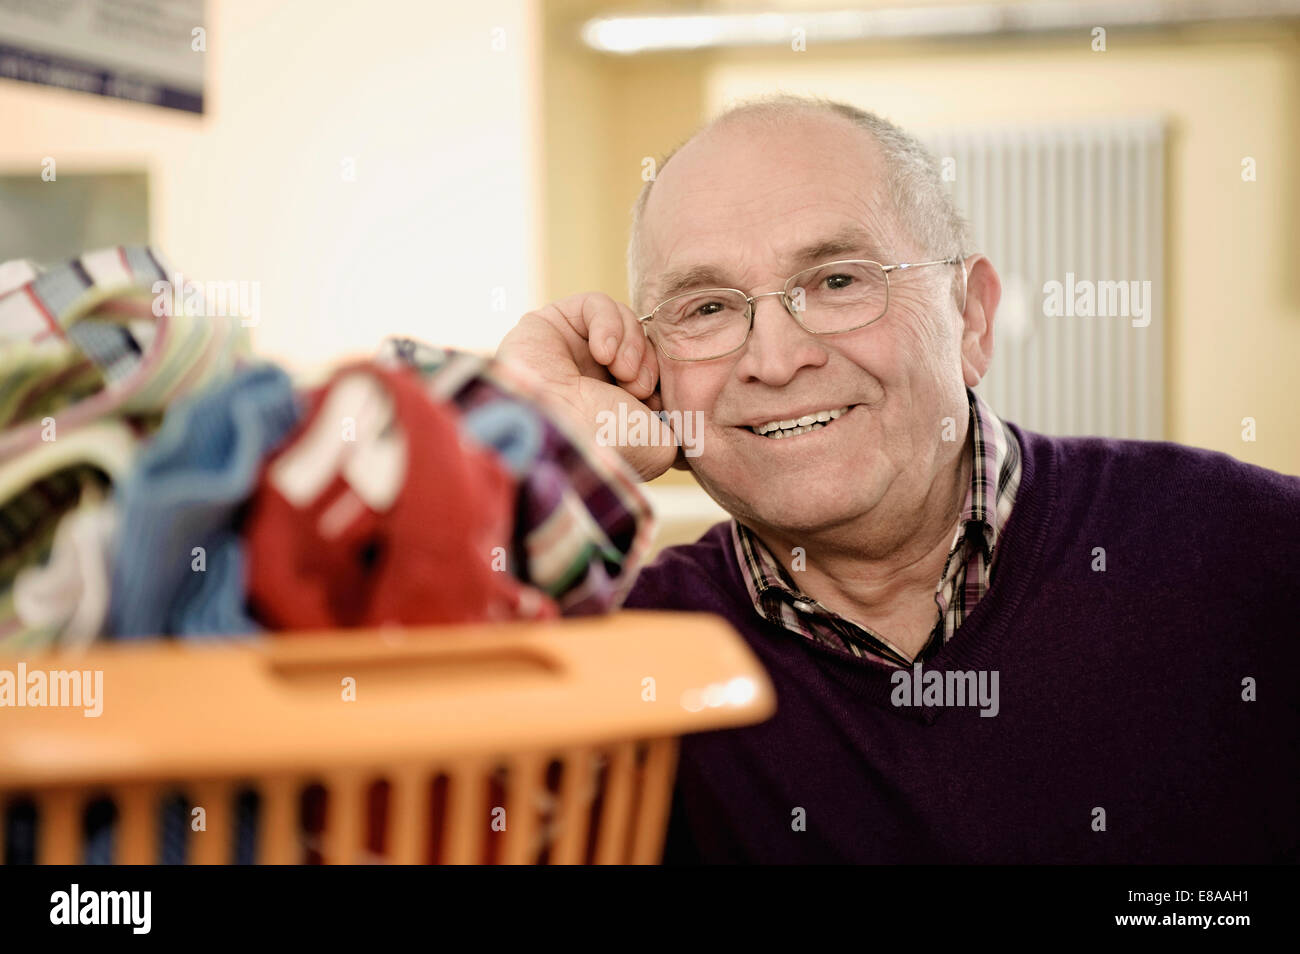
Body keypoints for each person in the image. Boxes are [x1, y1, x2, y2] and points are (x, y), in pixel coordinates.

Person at [497, 94, 1299, 863]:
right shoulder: (629, 652)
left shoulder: (1249, 550)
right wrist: (524, 453)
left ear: (972, 319)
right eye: (706, 308)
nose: (774, 361)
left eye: (838, 281)